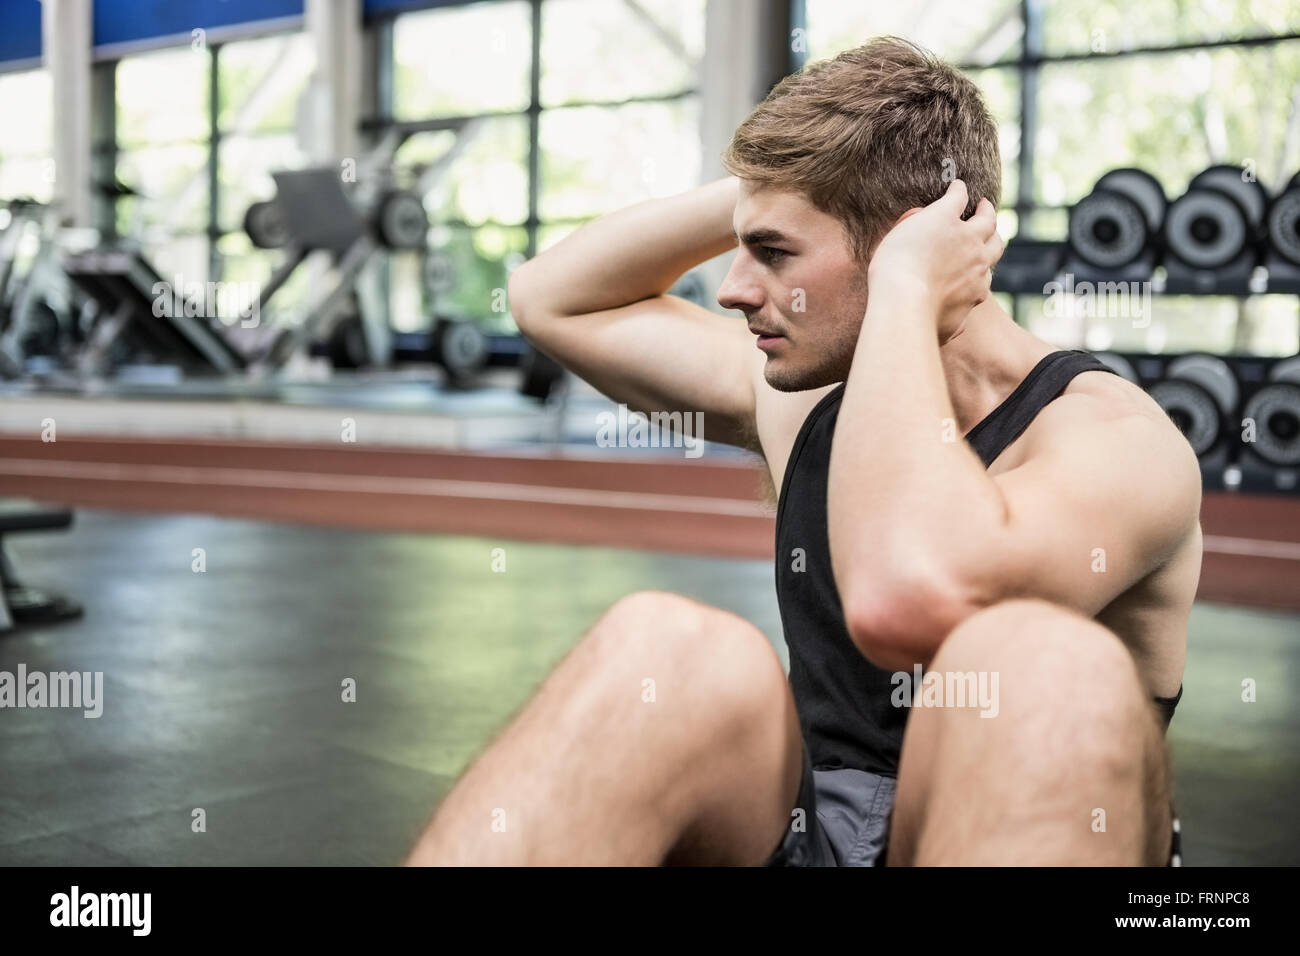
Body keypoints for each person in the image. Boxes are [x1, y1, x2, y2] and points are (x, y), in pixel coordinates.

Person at [406, 36, 1201, 867]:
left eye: (774, 253)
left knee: (1040, 665)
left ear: (908, 243)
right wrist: (774, 189)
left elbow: (908, 595)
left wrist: (901, 283)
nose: (731, 289)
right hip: (817, 831)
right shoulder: (803, 397)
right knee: (669, 647)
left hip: (1016, 828)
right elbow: (549, 299)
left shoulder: (1113, 438)